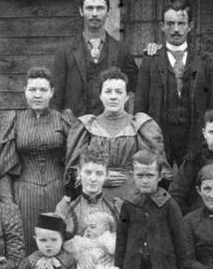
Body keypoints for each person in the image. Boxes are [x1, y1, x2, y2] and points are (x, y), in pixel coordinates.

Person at [62, 68, 170, 212]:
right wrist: (101, 176)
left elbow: (154, 168)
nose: (113, 97)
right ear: (100, 95)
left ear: (127, 97)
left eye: (119, 92)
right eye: (108, 92)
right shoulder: (87, 127)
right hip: (95, 197)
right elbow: (74, 171)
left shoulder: (140, 125)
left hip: (133, 198)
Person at [0, 66, 75, 248]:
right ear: (25, 91)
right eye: (32, 90)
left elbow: (74, 162)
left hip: (58, 194)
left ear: (52, 92)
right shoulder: (15, 120)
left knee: (57, 245)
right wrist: (9, 203)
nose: (37, 95)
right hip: (24, 197)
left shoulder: (63, 119)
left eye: (43, 90)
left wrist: (68, 198)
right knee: (27, 244)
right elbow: (3, 168)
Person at [135, 0, 213, 167]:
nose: (175, 29)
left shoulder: (204, 61)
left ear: (190, 26)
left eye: (181, 23)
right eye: (170, 23)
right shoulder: (151, 60)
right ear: (162, 26)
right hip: (159, 137)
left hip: (193, 137)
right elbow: (140, 107)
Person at [51, 0, 140, 116]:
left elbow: (138, 87)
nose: (94, 13)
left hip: (112, 128)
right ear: (81, 11)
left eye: (100, 8)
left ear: (108, 11)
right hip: (75, 127)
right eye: (89, 8)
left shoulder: (122, 50)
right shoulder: (65, 52)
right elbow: (56, 97)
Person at [57, 149, 118, 237]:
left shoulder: (115, 208)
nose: (93, 179)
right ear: (79, 172)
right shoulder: (66, 208)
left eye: (99, 173)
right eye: (88, 172)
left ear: (107, 175)